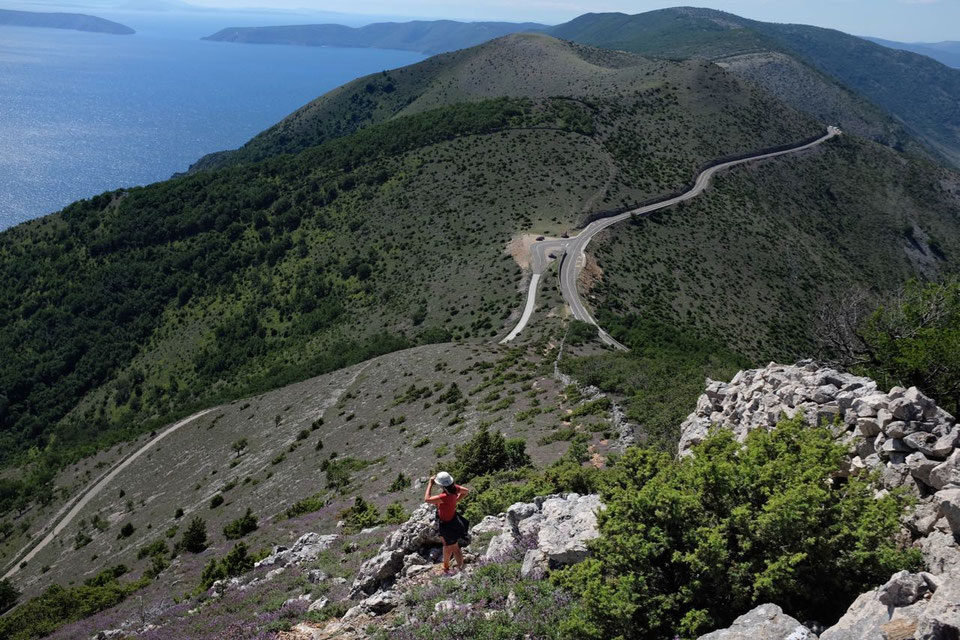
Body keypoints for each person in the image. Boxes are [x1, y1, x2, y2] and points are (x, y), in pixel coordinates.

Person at [423, 471, 470, 574]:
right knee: (446, 544)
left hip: (448, 524)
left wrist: (430, 484)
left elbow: (427, 499)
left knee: (455, 547)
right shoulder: (455, 489)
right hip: (450, 521)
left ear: (440, 485)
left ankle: (462, 571)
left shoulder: (444, 497)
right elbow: (466, 491)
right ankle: (446, 566)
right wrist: (456, 500)